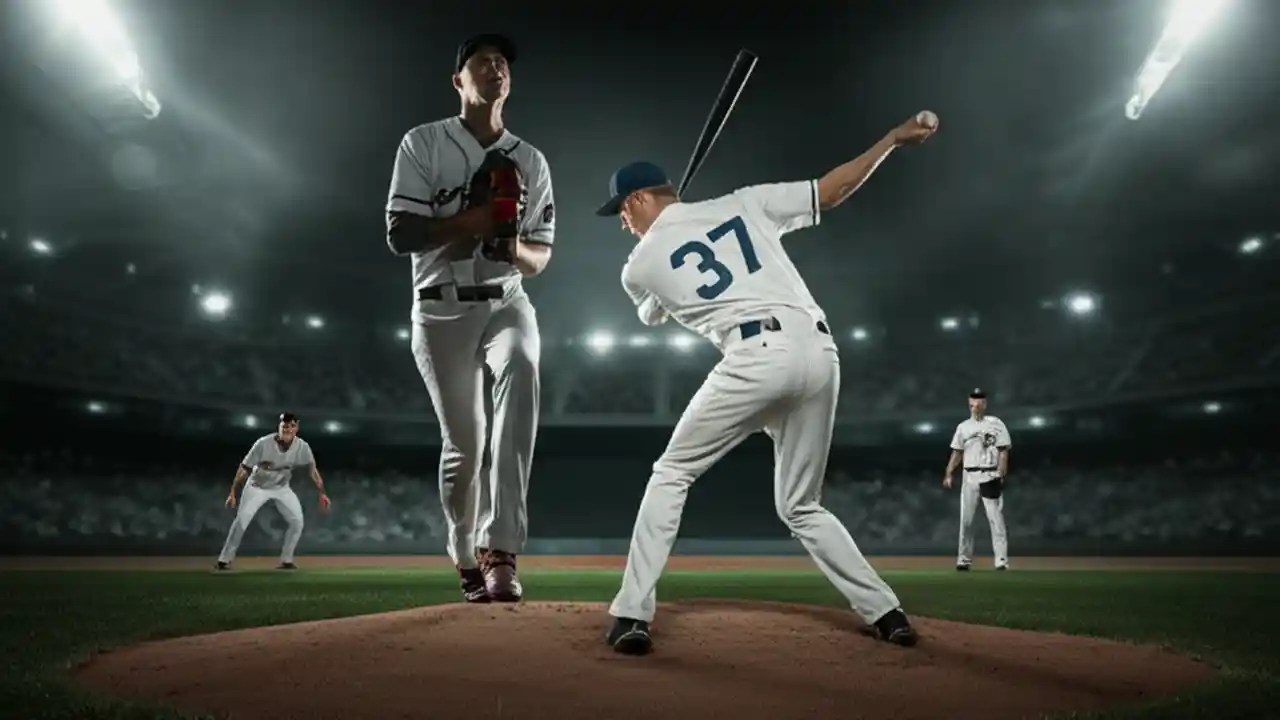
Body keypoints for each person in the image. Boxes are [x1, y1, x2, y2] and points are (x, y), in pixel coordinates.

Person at [595, 111, 940, 655]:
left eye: (620, 210)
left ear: (638, 200)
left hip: (756, 357)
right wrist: (892, 139)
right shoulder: (744, 202)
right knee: (802, 506)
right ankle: (887, 613)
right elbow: (832, 191)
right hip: (821, 350)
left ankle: (631, 615)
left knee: (672, 472)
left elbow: (650, 310)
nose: (621, 222)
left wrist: (656, 268)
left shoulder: (637, 265)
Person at [383, 33, 555, 603]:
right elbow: (399, 233)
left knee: (524, 364)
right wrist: (474, 222)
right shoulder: (423, 144)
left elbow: (542, 254)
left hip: (506, 298)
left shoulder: (530, 158)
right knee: (465, 446)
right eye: (481, 61)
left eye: (503, 61)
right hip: (440, 306)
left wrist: (513, 251)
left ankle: (500, 548)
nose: (495, 67)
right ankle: (463, 553)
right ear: (459, 80)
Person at [215, 413, 331, 571]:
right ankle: (224, 560)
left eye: (291, 426)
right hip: (257, 487)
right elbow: (244, 468)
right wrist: (233, 492)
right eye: (284, 425)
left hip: (281, 488)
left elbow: (313, 471)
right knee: (242, 521)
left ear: (297, 428)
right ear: (279, 426)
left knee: (297, 521)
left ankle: (286, 560)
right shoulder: (263, 443)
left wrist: (322, 492)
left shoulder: (302, 447)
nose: (287, 429)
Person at [943, 388, 1012, 571]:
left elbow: (1003, 449)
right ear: (969, 403)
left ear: (985, 404)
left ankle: (1001, 560)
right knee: (966, 521)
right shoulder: (963, 427)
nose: (976, 405)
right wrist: (949, 472)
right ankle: (963, 559)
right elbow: (957, 452)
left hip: (990, 474)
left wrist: (1002, 473)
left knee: (996, 519)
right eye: (973, 401)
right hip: (970, 476)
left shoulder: (995, 423)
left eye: (980, 401)